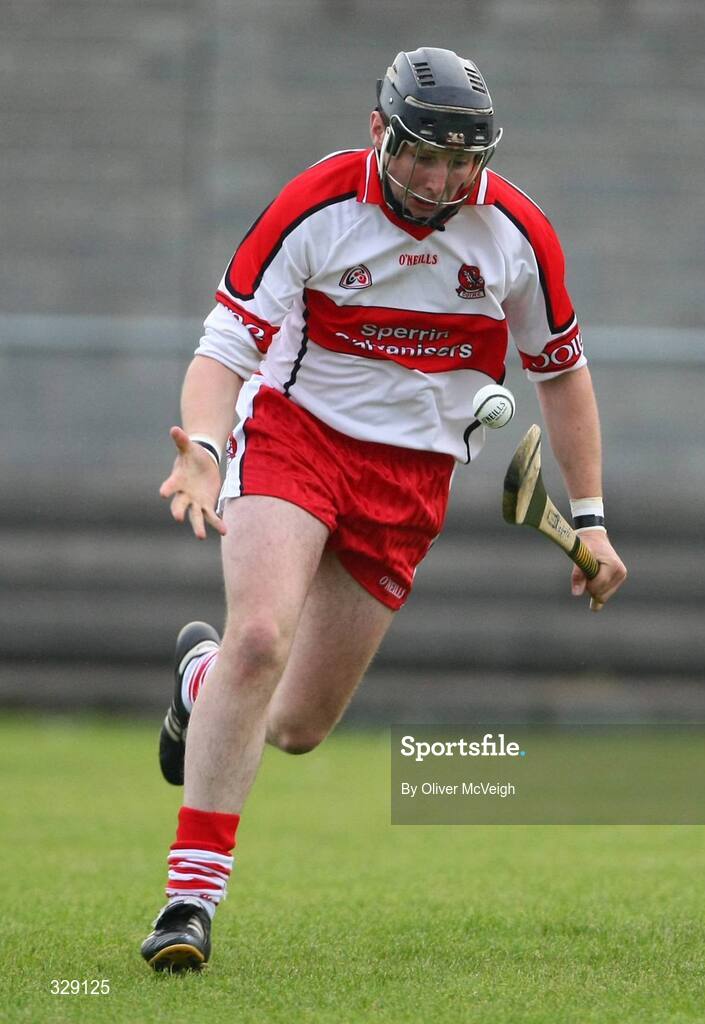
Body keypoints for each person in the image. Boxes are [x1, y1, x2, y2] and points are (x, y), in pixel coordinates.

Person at [140, 45, 627, 971]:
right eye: (420, 155)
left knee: (295, 726)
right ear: (378, 132)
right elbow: (223, 350)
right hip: (296, 435)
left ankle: (197, 683)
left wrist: (592, 517)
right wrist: (204, 452)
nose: (439, 180)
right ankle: (188, 901)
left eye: (460, 161)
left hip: (409, 479)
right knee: (260, 637)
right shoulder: (316, 205)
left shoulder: (515, 236)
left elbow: (562, 378)